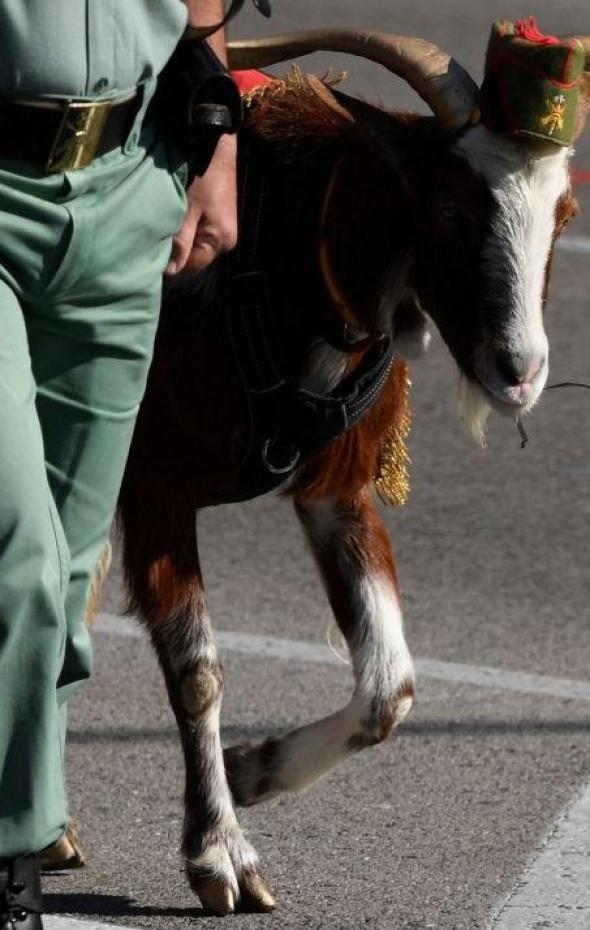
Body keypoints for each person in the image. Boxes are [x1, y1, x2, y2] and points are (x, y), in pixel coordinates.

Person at [0, 3, 245, 927]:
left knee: (65, 573)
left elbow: (203, 8)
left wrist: (218, 144)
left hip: (125, 183)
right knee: (15, 553)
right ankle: (12, 843)